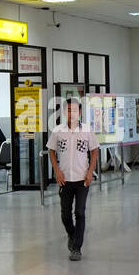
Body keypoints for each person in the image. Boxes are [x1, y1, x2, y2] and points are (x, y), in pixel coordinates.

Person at [48, 96, 99, 261]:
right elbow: (51, 150)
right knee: (65, 215)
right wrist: (57, 170)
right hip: (65, 179)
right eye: (69, 110)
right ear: (64, 112)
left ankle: (76, 248)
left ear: (80, 112)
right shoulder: (58, 131)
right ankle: (72, 234)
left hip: (82, 179)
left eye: (75, 110)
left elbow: (94, 151)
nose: (72, 113)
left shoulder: (87, 130)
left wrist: (90, 171)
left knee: (80, 213)